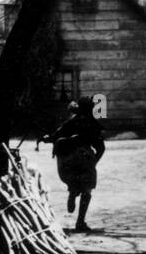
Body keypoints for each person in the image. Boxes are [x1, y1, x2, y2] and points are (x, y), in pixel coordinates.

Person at [44, 96, 106, 233]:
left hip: (67, 161)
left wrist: (47, 138)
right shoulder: (94, 124)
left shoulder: (70, 123)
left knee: (74, 181)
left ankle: (72, 191)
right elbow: (101, 148)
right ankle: (80, 222)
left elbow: (54, 136)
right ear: (91, 109)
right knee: (87, 189)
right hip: (85, 158)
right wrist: (94, 162)